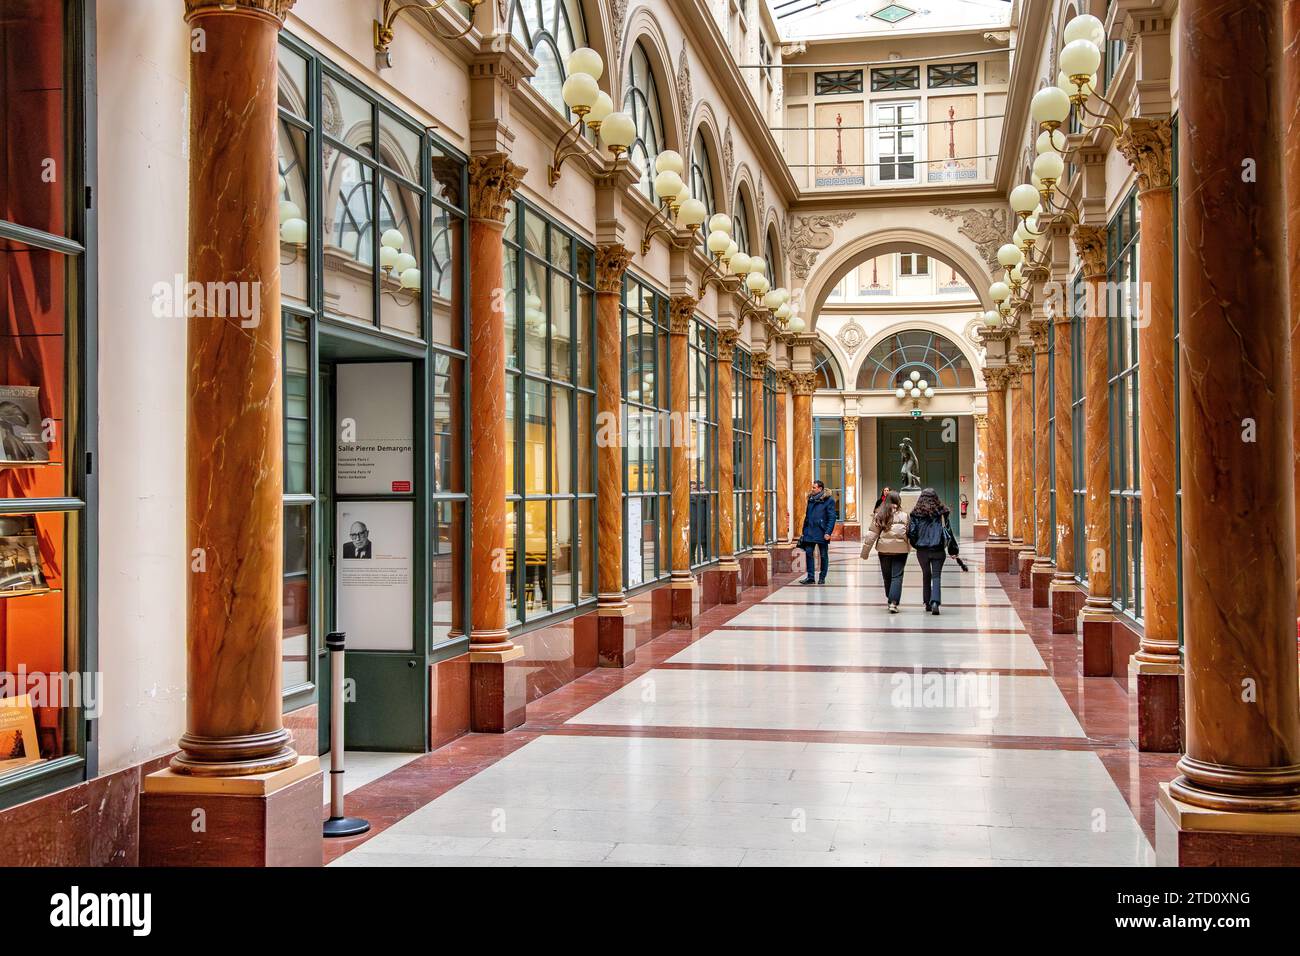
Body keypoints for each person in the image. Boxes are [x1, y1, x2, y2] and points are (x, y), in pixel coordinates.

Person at [860, 490, 910, 612]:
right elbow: (909, 534)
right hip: (901, 551)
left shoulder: (879, 515)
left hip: (884, 551)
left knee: (887, 577)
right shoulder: (904, 516)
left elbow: (871, 535)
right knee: (897, 576)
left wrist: (865, 552)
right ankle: (893, 602)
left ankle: (890, 598)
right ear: (898, 502)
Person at [906, 487, 955, 614]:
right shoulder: (942, 512)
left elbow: (911, 532)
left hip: (922, 550)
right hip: (938, 548)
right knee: (937, 576)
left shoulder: (915, 513)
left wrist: (916, 544)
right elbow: (948, 530)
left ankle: (927, 602)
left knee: (926, 574)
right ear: (936, 498)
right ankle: (935, 602)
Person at [798, 479, 838, 585]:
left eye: (814, 487)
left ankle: (822, 577)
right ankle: (810, 577)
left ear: (820, 489)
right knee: (808, 553)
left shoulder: (829, 500)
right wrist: (804, 530)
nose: (812, 489)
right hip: (809, 532)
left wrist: (828, 532)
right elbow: (807, 516)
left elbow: (832, 517)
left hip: (822, 532)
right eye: (812, 487)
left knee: (823, 555)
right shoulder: (811, 499)